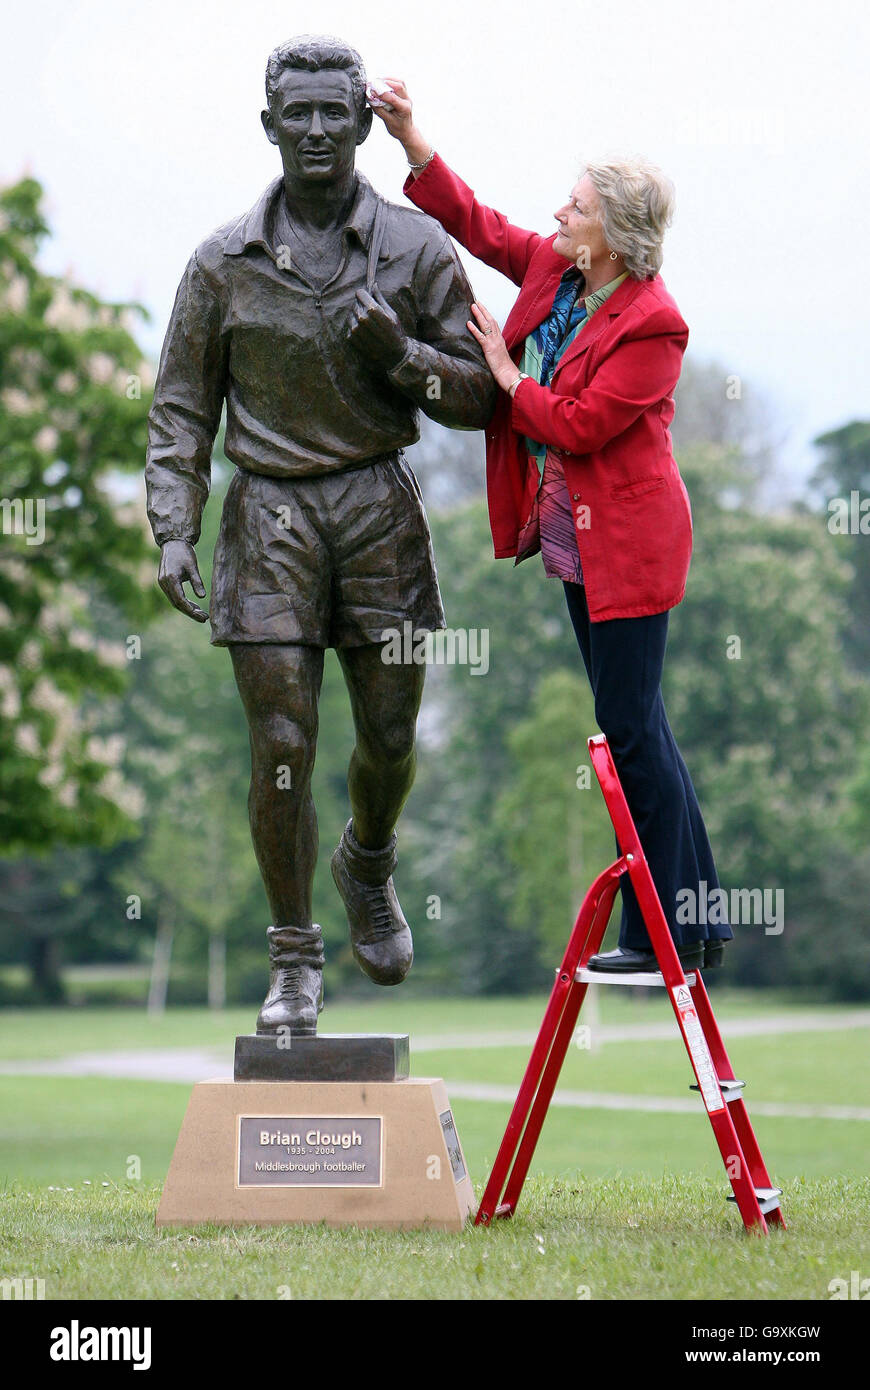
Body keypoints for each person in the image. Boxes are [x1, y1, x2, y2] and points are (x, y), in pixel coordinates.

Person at [144, 37, 496, 1033]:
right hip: (268, 519)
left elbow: (480, 398)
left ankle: (369, 861)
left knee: (387, 736)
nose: (312, 131)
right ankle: (294, 958)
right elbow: (179, 407)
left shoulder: (417, 249)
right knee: (284, 741)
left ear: (360, 124)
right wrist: (174, 526)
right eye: (293, 114)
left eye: (330, 113)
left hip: (378, 509)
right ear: (269, 126)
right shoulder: (222, 264)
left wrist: (403, 355)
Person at [372, 79, 732, 972]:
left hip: (632, 550)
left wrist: (503, 371)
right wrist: (413, 138)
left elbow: (574, 424)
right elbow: (482, 224)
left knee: (629, 731)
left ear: (614, 231)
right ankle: (698, 917)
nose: (558, 216)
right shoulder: (560, 271)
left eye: (574, 208)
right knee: (641, 725)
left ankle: (659, 937)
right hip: (579, 542)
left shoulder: (656, 326)